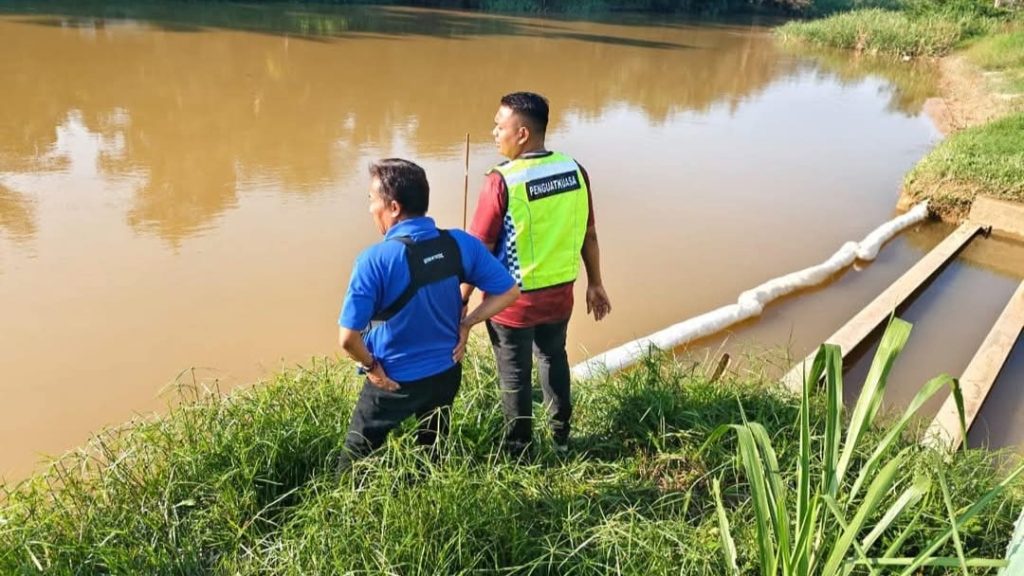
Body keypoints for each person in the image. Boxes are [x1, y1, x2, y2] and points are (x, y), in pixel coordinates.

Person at [337, 158, 519, 468]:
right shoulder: (459, 243)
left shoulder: (374, 261)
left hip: (393, 379)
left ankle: (340, 507)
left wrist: (371, 367)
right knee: (432, 451)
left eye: (372, 199)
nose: (370, 208)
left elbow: (347, 339)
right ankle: (427, 495)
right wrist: (468, 324)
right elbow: (510, 291)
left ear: (393, 207)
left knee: (356, 456)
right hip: (445, 373)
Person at [464, 92, 611, 455]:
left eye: (500, 126)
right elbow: (589, 233)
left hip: (511, 302)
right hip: (560, 296)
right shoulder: (574, 170)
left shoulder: (502, 180)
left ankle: (519, 451)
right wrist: (595, 283)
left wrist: (461, 298)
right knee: (553, 358)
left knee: (514, 374)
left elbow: (478, 249)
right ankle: (561, 438)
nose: (494, 133)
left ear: (523, 133)